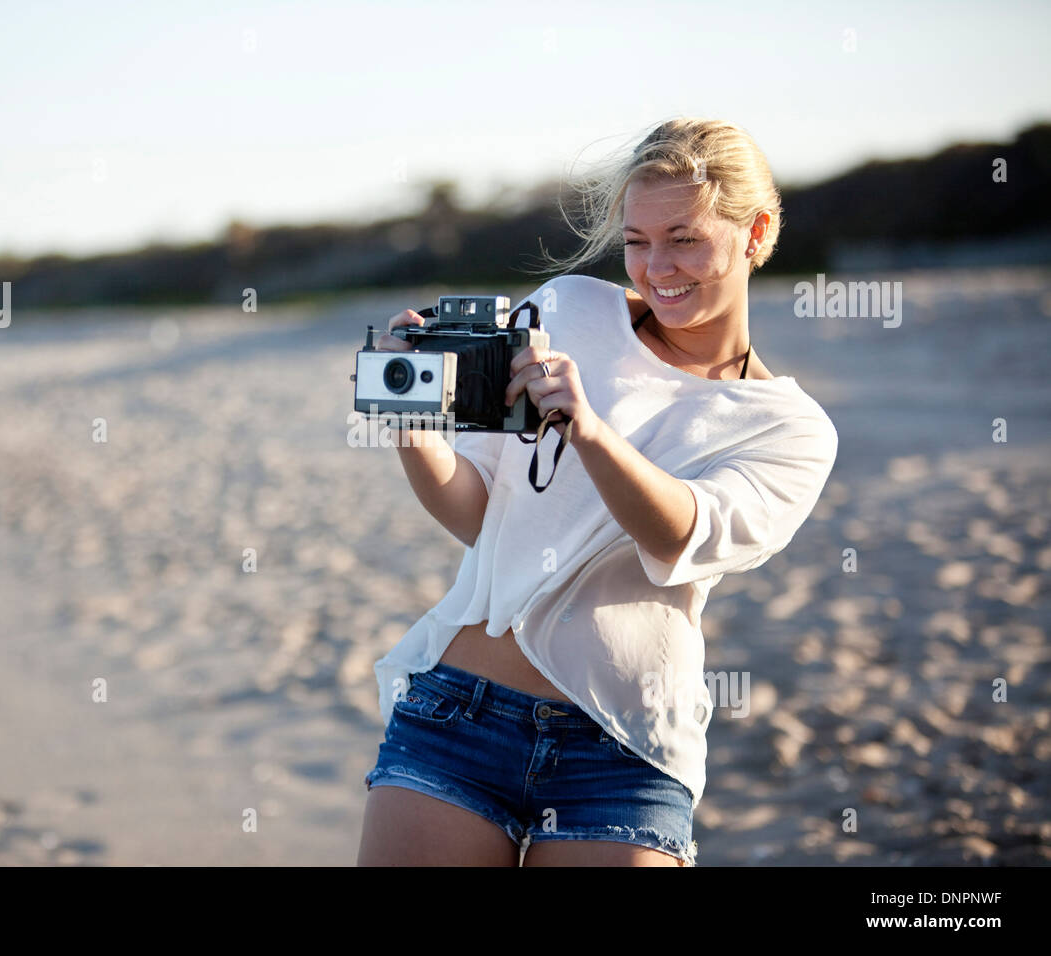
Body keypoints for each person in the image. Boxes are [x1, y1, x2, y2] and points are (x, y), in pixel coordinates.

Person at [357, 118, 838, 867]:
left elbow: (679, 535)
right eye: (637, 240)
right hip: (459, 713)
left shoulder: (790, 429)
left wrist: (590, 430)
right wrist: (411, 425)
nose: (656, 267)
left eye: (684, 237)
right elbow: (477, 514)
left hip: (624, 751)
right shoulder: (569, 309)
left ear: (756, 232)